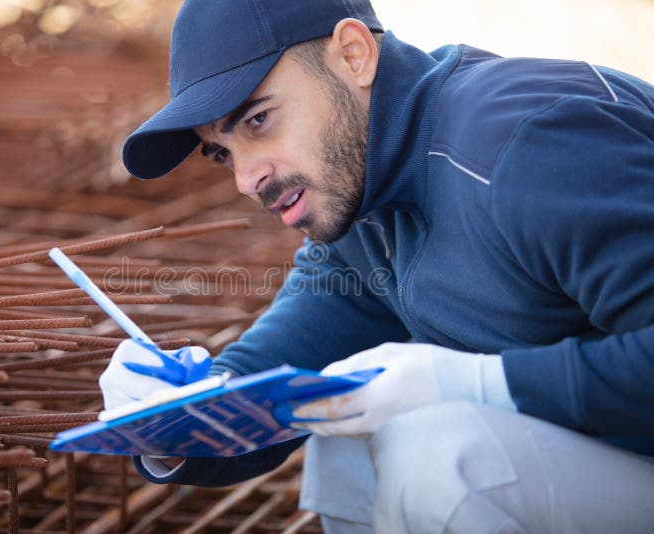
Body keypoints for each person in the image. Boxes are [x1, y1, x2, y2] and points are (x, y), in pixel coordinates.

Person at [107, 0, 654, 532]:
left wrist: (477, 383)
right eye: (222, 152)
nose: (246, 178)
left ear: (353, 54)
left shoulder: (528, 146)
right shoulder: (361, 199)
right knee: (346, 434)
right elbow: (275, 369)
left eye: (258, 119)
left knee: (440, 453)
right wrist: (172, 418)